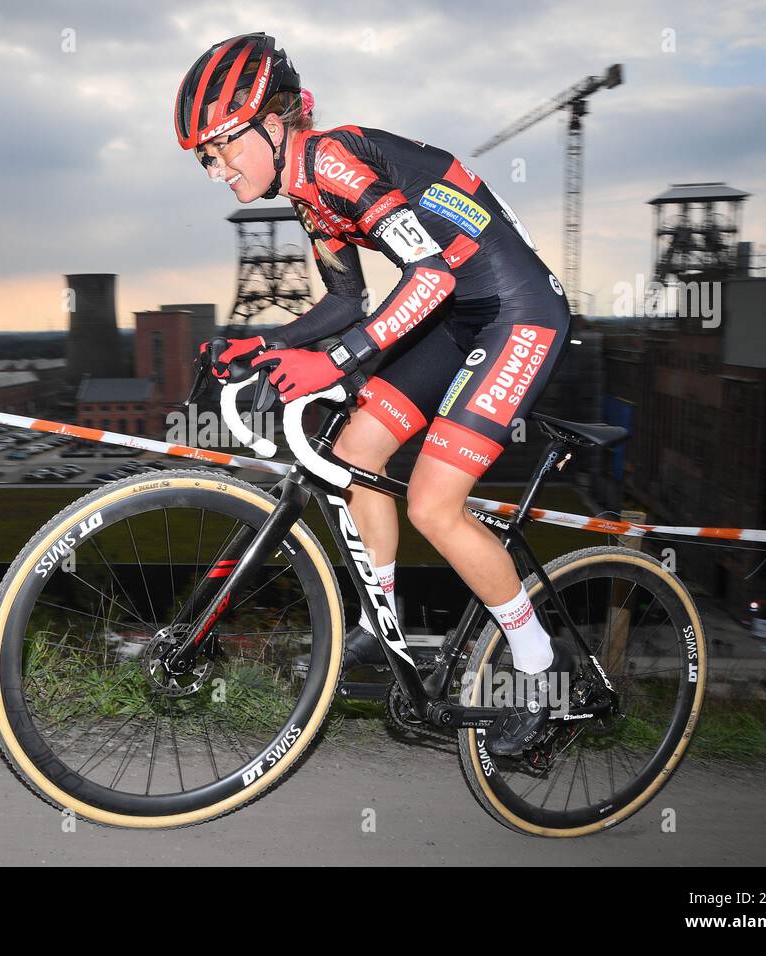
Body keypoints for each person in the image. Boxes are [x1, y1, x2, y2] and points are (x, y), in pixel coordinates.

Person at [175, 33, 575, 755]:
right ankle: (377, 626)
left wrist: (337, 365)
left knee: (433, 503)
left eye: (224, 145)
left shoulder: (332, 159)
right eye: (205, 157)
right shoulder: (305, 191)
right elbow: (346, 301)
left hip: (516, 310)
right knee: (359, 450)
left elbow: (429, 278)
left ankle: (543, 675)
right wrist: (266, 343)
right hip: (456, 315)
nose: (217, 168)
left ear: (274, 120)